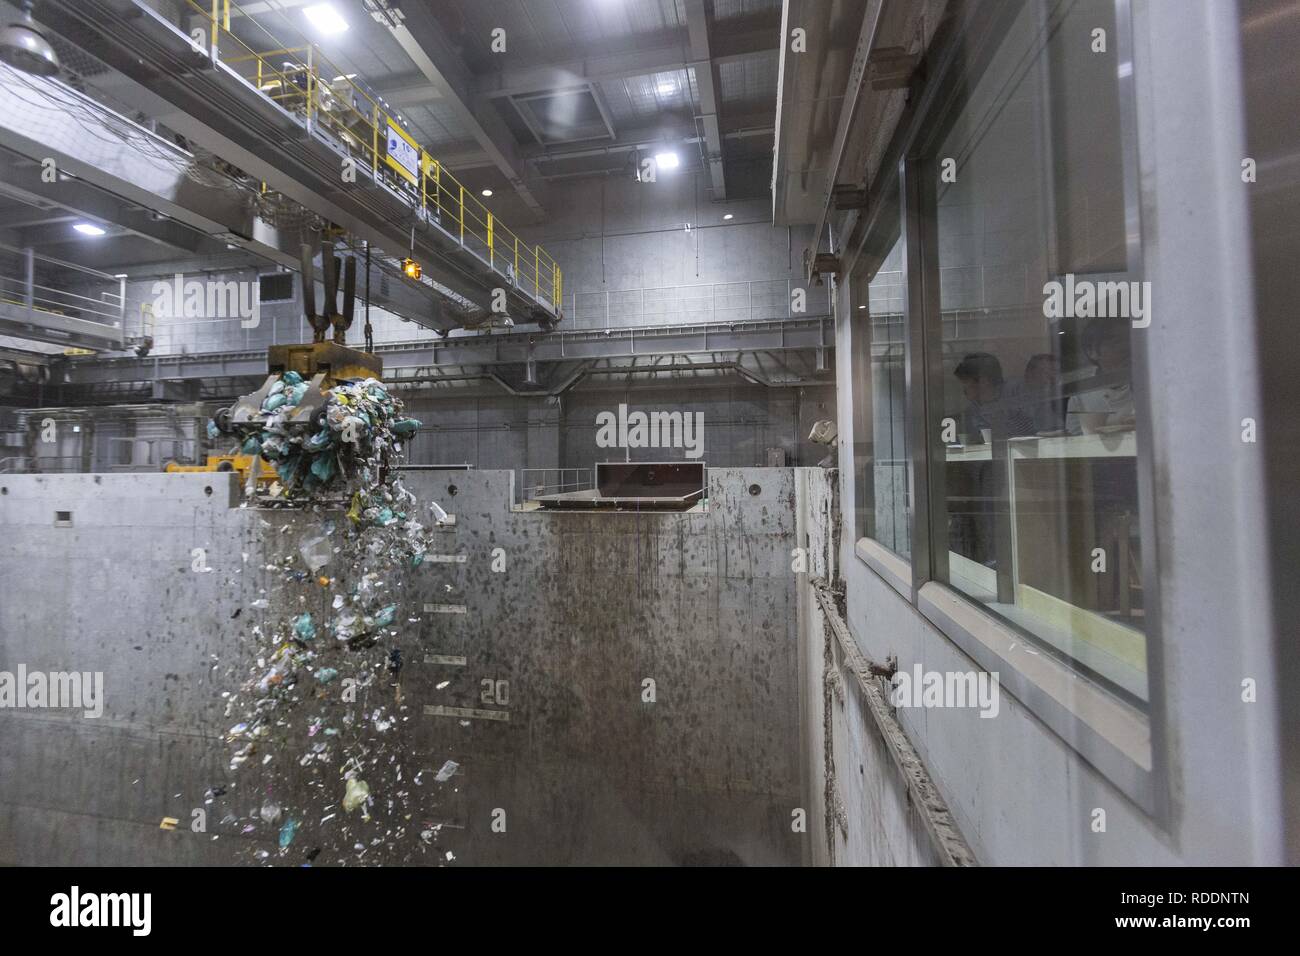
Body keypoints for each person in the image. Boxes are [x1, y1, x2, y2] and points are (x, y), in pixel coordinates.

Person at [1066, 320, 1135, 434]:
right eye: (1116, 342)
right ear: (1091, 351)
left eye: (1128, 340)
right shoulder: (1081, 394)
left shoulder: (1149, 382)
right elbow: (1072, 437)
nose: (1126, 348)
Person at [953, 352, 1035, 442]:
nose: (963, 388)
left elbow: (1036, 427)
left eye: (965, 382)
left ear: (983, 381)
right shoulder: (974, 407)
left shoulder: (1015, 392)